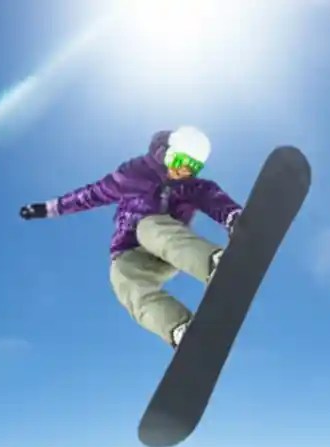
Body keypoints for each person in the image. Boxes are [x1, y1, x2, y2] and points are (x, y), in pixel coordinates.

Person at [19, 126, 243, 349]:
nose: (182, 171)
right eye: (178, 161)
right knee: (122, 278)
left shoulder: (192, 186)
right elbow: (90, 195)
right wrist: (47, 209)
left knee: (149, 226)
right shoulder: (133, 175)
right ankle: (176, 327)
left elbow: (213, 199)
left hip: (170, 246)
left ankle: (212, 264)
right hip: (132, 252)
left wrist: (233, 218)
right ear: (166, 153)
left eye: (191, 167)